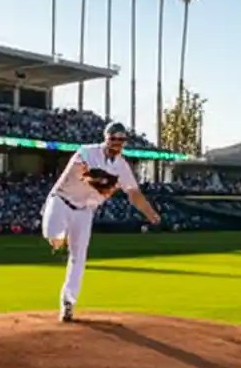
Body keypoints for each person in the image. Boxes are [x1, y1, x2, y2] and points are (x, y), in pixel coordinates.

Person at [42, 121, 161, 322]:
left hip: (85, 210)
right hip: (61, 200)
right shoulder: (87, 152)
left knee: (79, 256)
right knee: (53, 237)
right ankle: (58, 239)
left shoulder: (122, 166)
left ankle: (68, 302)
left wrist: (151, 214)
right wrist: (108, 186)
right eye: (113, 138)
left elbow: (134, 193)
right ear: (106, 138)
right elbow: (81, 173)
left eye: (121, 140)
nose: (117, 143)